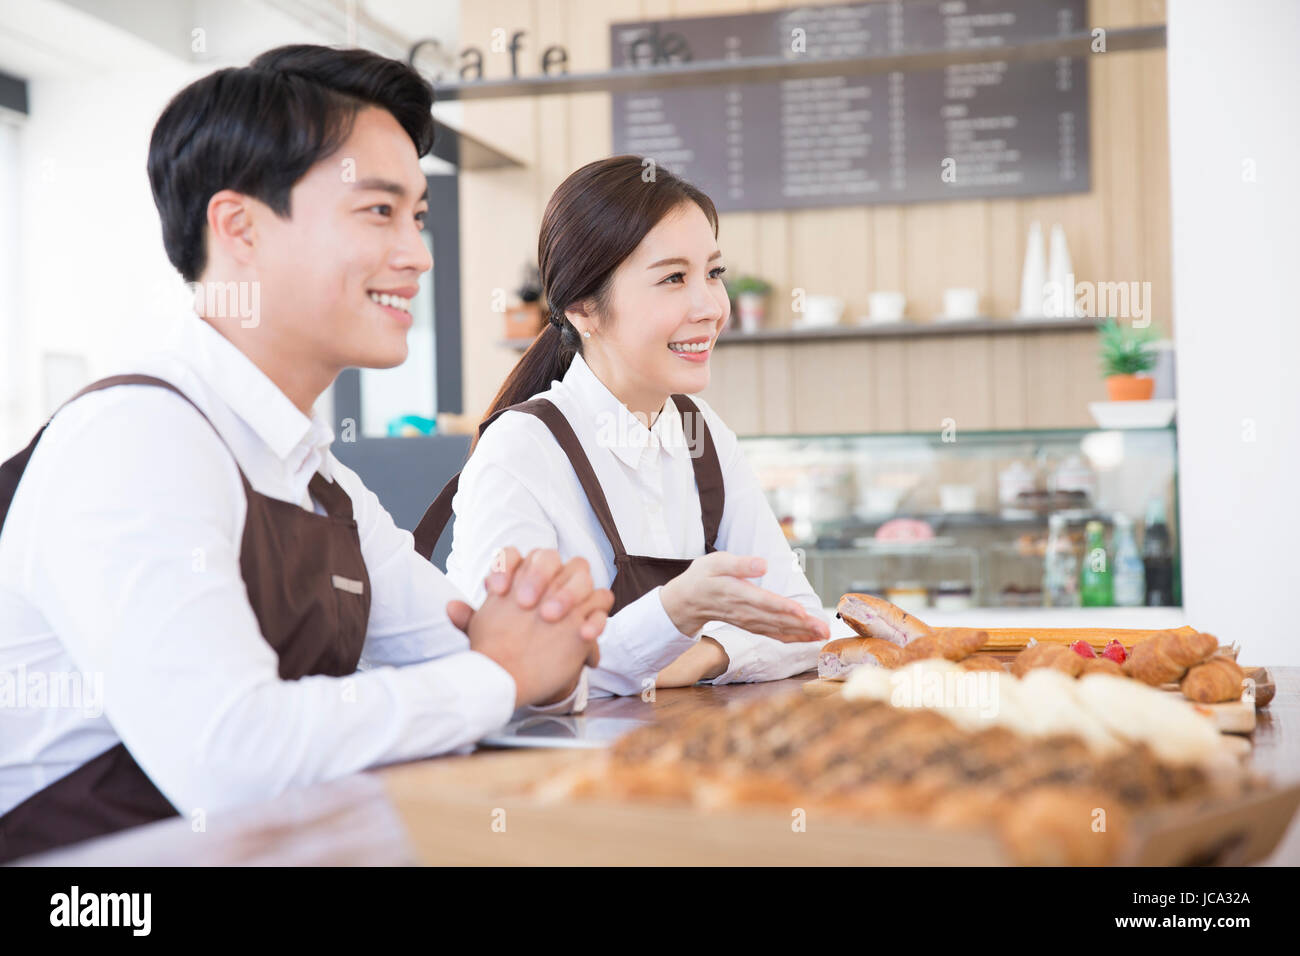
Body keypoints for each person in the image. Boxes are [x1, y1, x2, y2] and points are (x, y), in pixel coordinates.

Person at [0, 45, 611, 863]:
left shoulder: (322, 478)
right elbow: (233, 760)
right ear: (239, 228)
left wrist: (543, 643)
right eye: (378, 212)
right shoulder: (136, 438)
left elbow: (474, 658)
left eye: (419, 216)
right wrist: (503, 672)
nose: (418, 255)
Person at [424, 156, 830, 698]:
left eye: (713, 273)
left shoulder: (702, 434)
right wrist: (676, 613)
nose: (709, 306)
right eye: (672, 278)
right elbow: (508, 674)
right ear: (583, 309)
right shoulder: (521, 451)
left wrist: (698, 655)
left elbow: (805, 625)